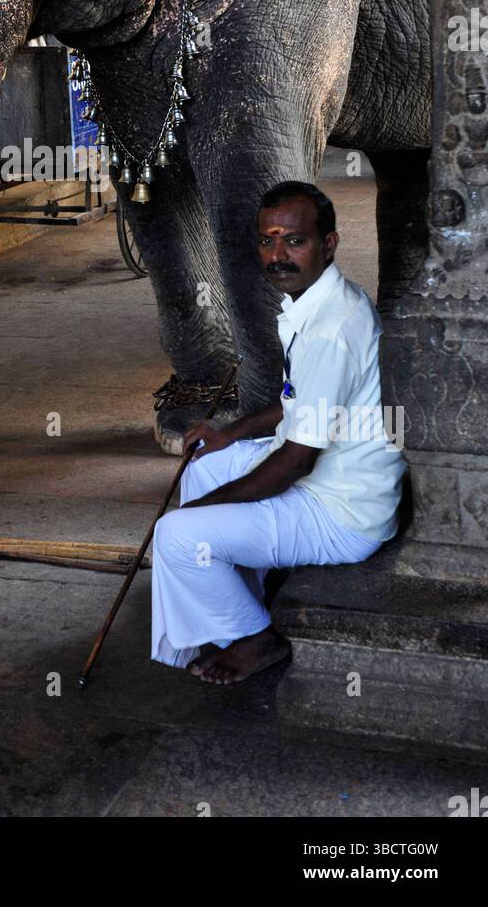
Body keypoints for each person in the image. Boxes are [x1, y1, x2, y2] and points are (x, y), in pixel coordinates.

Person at [151, 180, 406, 685]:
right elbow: (293, 399)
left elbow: (296, 461)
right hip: (323, 479)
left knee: (175, 535)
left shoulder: (335, 326)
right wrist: (229, 433)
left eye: (295, 240)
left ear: (328, 244)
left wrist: (211, 507)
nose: (278, 254)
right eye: (268, 240)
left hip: (342, 511)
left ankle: (255, 638)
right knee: (204, 467)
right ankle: (234, 609)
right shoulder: (314, 303)